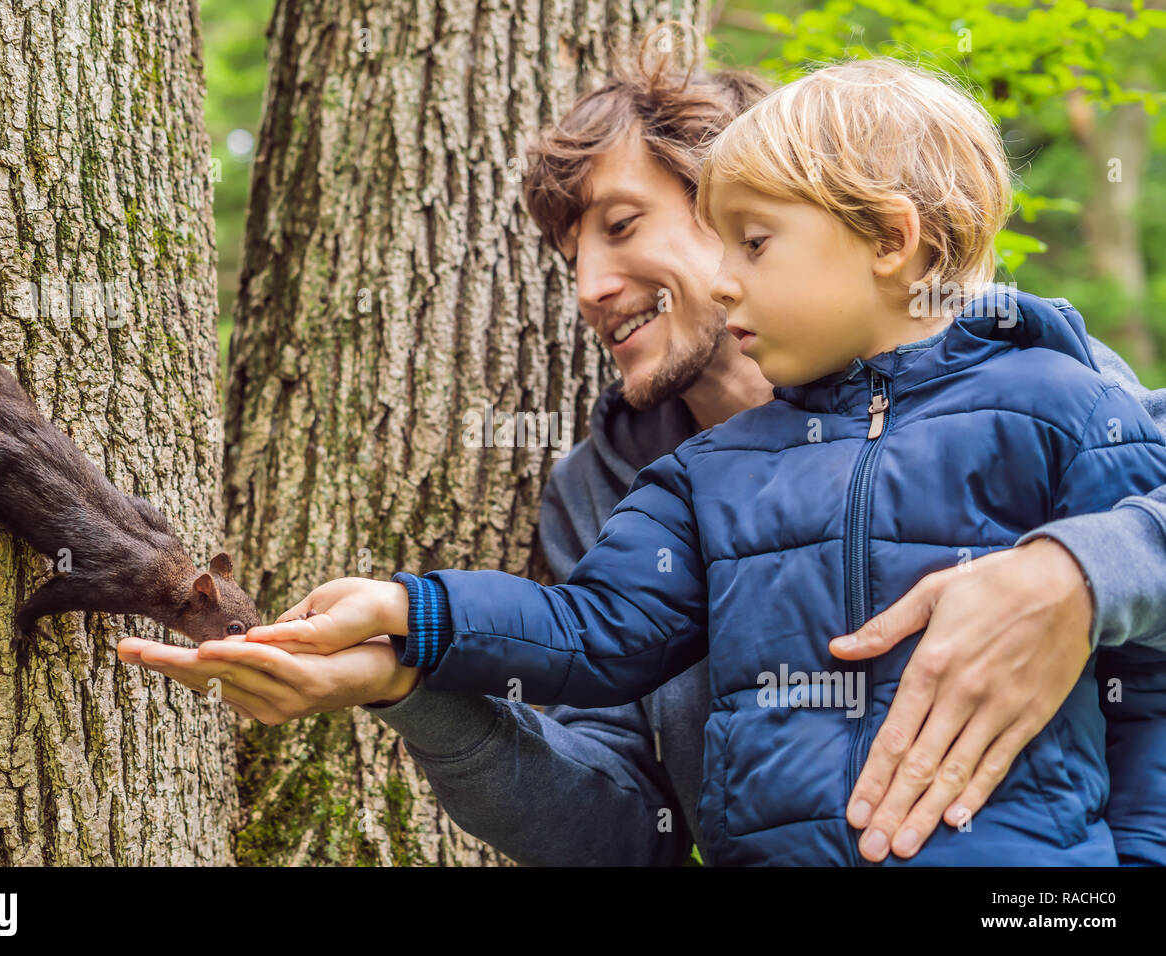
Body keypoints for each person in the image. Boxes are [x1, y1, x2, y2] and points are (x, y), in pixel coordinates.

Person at [118, 37, 1166, 866]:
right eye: (570, 254)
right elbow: (611, 744)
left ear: (876, 236)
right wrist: (407, 646)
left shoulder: (1057, 394)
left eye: (624, 225)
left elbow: (1149, 678)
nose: (586, 288)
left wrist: (1081, 572)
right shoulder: (651, 486)